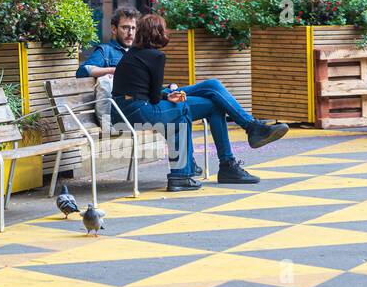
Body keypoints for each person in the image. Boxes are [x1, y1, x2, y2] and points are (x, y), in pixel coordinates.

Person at [113, 14, 289, 192]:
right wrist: (167, 95)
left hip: (123, 110)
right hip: (139, 110)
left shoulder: (133, 54)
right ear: (157, 33)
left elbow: (145, 91)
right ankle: (222, 161)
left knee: (212, 87)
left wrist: (167, 94)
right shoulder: (155, 56)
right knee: (199, 106)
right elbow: (154, 98)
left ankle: (186, 173)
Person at [77, 6, 138, 78]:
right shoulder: (105, 51)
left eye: (133, 28)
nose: (130, 33)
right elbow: (82, 71)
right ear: (114, 29)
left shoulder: (137, 52)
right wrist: (115, 70)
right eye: (125, 28)